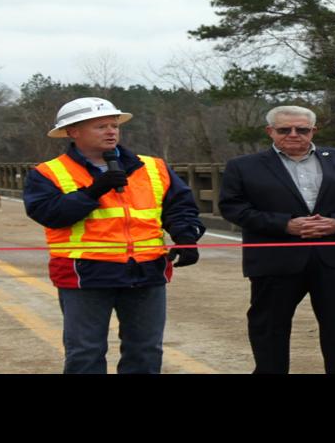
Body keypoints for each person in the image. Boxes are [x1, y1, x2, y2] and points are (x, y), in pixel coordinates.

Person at [23, 97, 205, 374]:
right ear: (73, 132)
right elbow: (49, 214)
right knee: (86, 352)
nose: (111, 131)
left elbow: (180, 207)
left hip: (147, 271)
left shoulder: (153, 167)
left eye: (114, 125)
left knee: (145, 350)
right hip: (85, 273)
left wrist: (185, 236)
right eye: (101, 127)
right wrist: (94, 191)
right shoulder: (48, 173)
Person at [217, 105, 335, 374]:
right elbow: (233, 207)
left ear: (313, 131)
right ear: (270, 131)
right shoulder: (243, 167)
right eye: (284, 130)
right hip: (276, 259)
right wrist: (285, 225)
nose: (293, 134)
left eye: (302, 129)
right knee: (269, 326)